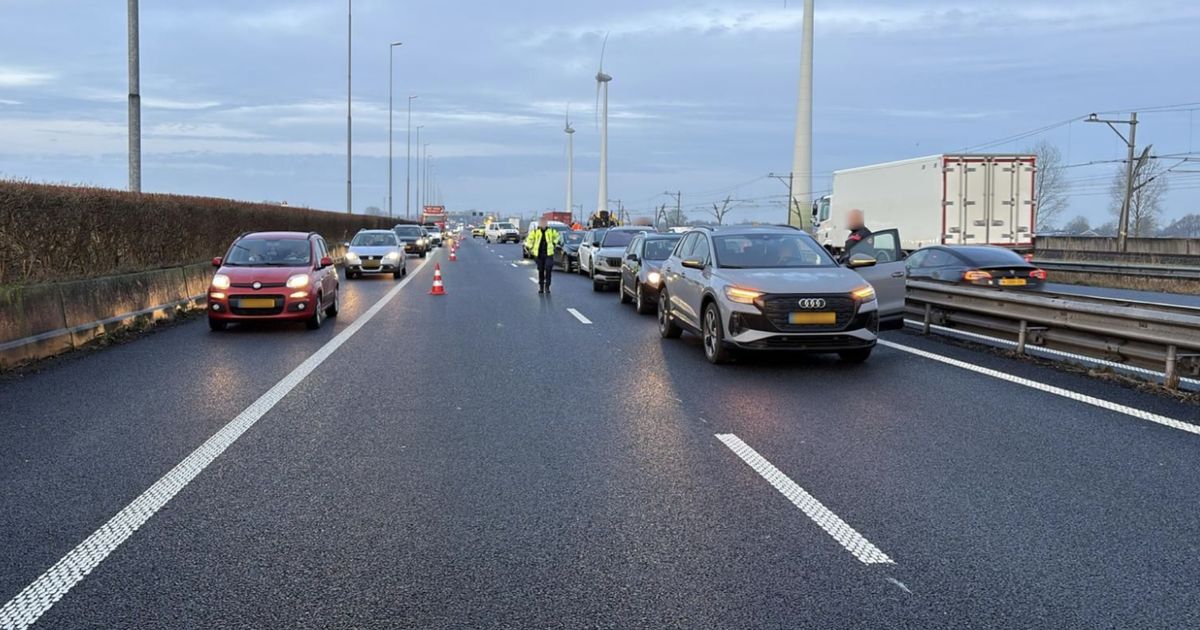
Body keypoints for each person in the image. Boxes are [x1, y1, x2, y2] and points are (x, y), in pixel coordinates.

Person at [524, 218, 561, 294]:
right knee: (541, 270)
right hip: (539, 254)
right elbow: (529, 240)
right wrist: (530, 247)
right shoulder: (535, 232)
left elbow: (558, 237)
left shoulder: (551, 231)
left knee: (548, 269)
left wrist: (554, 243)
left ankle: (547, 286)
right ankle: (541, 287)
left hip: (548, 254)